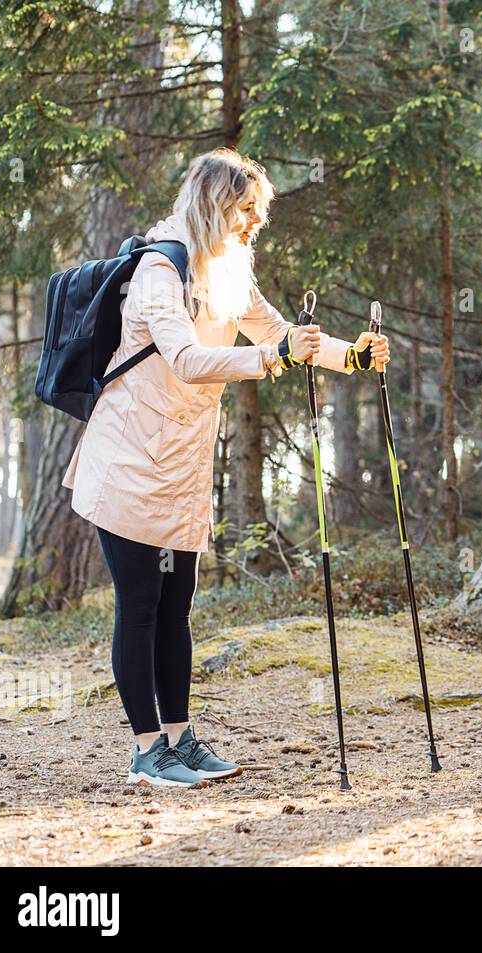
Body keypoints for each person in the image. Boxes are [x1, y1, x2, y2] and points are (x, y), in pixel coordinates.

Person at [62, 148, 390, 786]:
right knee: (140, 604)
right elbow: (185, 358)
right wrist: (273, 360)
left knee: (176, 604)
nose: (255, 224)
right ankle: (145, 750)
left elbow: (280, 331)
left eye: (260, 214)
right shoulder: (161, 269)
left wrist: (352, 357)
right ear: (215, 203)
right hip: (129, 460)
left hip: (180, 465)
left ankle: (180, 740)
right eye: (246, 211)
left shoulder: (229, 267)